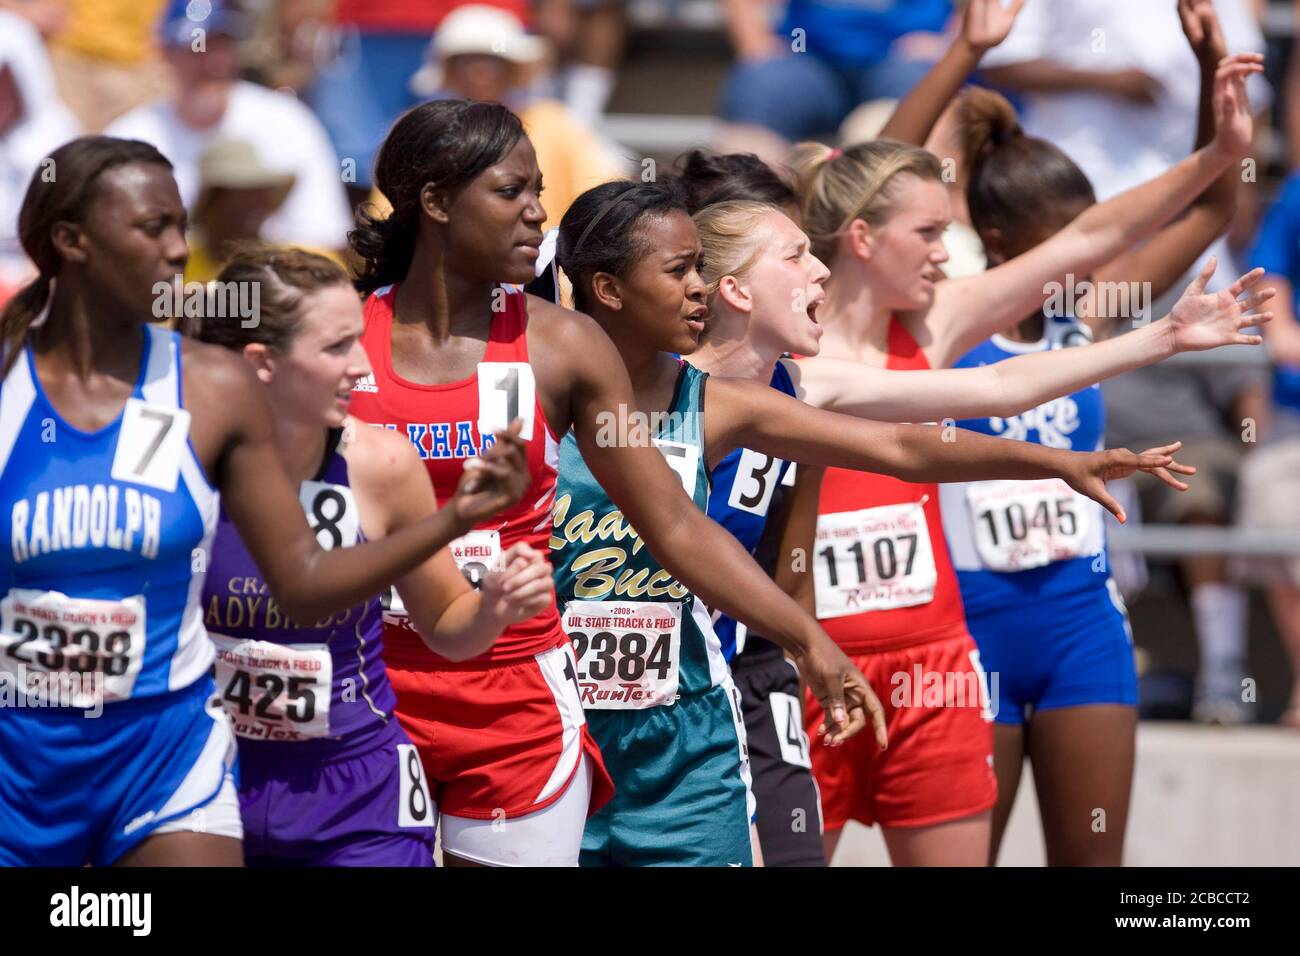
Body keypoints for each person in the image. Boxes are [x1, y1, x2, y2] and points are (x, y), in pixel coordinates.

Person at [554, 177, 1227, 865]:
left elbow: (921, 436)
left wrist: (1067, 447)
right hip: (569, 698)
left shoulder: (757, 396)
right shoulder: (551, 393)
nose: (821, 268)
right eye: (795, 255)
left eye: (698, 266)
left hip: (716, 692)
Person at [344, 99, 894, 867]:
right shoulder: (337, 334)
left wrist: (807, 639)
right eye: (512, 192)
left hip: (515, 710)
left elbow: (673, 524)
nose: (539, 212)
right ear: (435, 201)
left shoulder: (565, 347)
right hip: (369, 700)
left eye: (539, 189)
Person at [0, 135, 533, 867]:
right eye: (151, 228)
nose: (362, 366)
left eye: (179, 226)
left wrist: (478, 563)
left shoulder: (324, 441)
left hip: (294, 780)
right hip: (100, 764)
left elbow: (354, 598)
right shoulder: (74, 402)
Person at [787, 40, 1257, 863]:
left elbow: (1096, 241)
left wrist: (1220, 148)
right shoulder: (804, 351)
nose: (942, 247)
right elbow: (869, 180)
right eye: (926, 230)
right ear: (861, 237)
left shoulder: (950, 323)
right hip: (842, 652)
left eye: (946, 228)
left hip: (967, 652)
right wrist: (965, 49)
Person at [943, 24, 1269, 859]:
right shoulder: (942, 331)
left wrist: (1207, 76)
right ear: (1005, 243)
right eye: (1070, 241)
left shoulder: (1083, 318)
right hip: (970, 631)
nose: (1093, 258)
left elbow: (1212, 209)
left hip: (1081, 622)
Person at [189, 246, 553, 866]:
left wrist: (493, 605)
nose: (361, 368)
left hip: (356, 790)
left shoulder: (381, 464)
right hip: (205, 778)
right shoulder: (180, 462)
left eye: (359, 341)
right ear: (262, 363)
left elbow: (446, 628)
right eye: (335, 348)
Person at [107, 0, 352, 253]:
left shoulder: (288, 123)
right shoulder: (129, 138)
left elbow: (324, 239)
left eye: (222, 45)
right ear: (165, 52)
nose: (213, 63)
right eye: (197, 47)